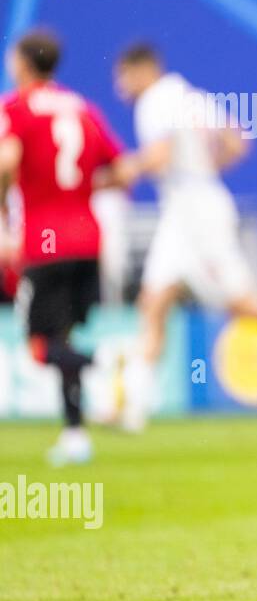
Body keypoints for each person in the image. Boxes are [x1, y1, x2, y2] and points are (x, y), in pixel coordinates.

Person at [111, 43, 257, 431]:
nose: (119, 86)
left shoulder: (155, 101)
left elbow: (158, 156)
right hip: (187, 206)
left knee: (243, 303)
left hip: (196, 213)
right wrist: (205, 169)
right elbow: (238, 142)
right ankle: (134, 408)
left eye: (122, 76)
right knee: (152, 302)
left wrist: (123, 170)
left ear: (142, 69)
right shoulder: (190, 95)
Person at [0, 29, 135, 464]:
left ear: (21, 63)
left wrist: (5, 215)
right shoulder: (82, 107)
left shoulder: (17, 109)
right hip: (88, 237)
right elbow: (122, 171)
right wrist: (78, 190)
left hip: (44, 241)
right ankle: (76, 435)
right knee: (62, 339)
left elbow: (6, 163)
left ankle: (105, 359)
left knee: (42, 347)